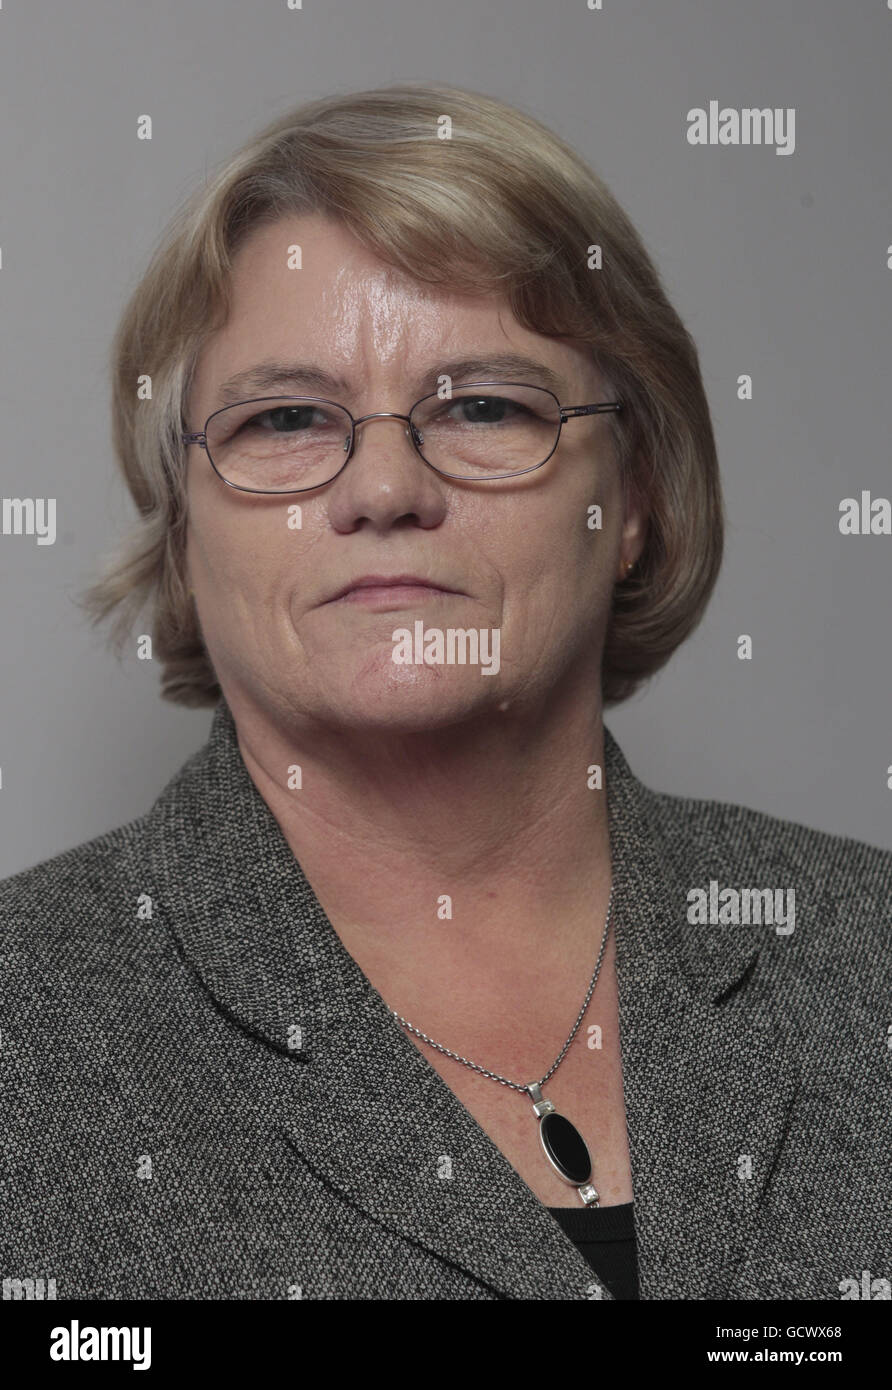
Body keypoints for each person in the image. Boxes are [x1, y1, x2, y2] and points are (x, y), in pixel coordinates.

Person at [1, 82, 888, 1303]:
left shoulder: (864, 952)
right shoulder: (23, 1025)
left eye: (482, 406)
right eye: (286, 420)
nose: (382, 487)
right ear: (183, 531)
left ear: (631, 501)